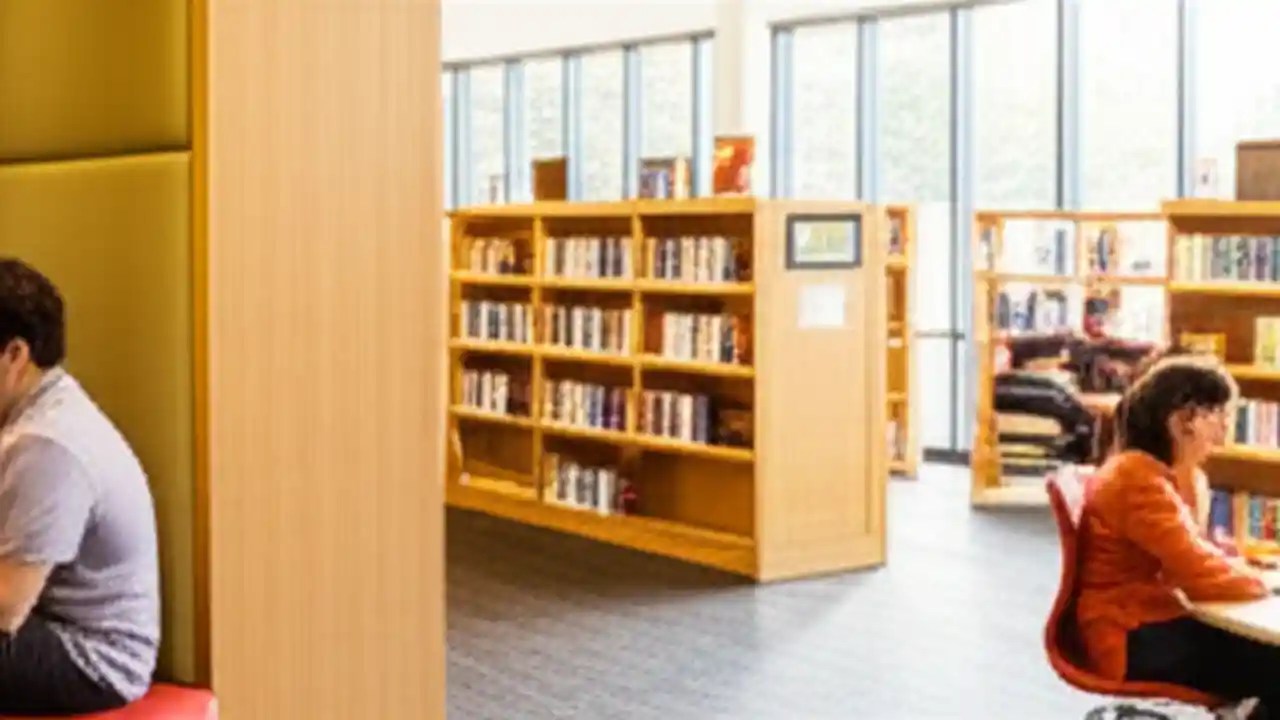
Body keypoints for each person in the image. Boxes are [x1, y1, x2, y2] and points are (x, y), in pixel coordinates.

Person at [1076, 356, 1280, 713]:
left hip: (1145, 623)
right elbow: (1197, 572)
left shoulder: (1146, 472)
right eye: (1219, 416)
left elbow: (1192, 549)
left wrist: (1190, 473)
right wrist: (1263, 584)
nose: (1222, 433)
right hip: (1132, 635)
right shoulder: (1136, 480)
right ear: (1184, 419)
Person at [0, 259, 158, 714]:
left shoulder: (48, 444)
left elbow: (8, 607)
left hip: (91, 657)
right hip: (47, 621)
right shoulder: (37, 408)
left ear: (15, 354)